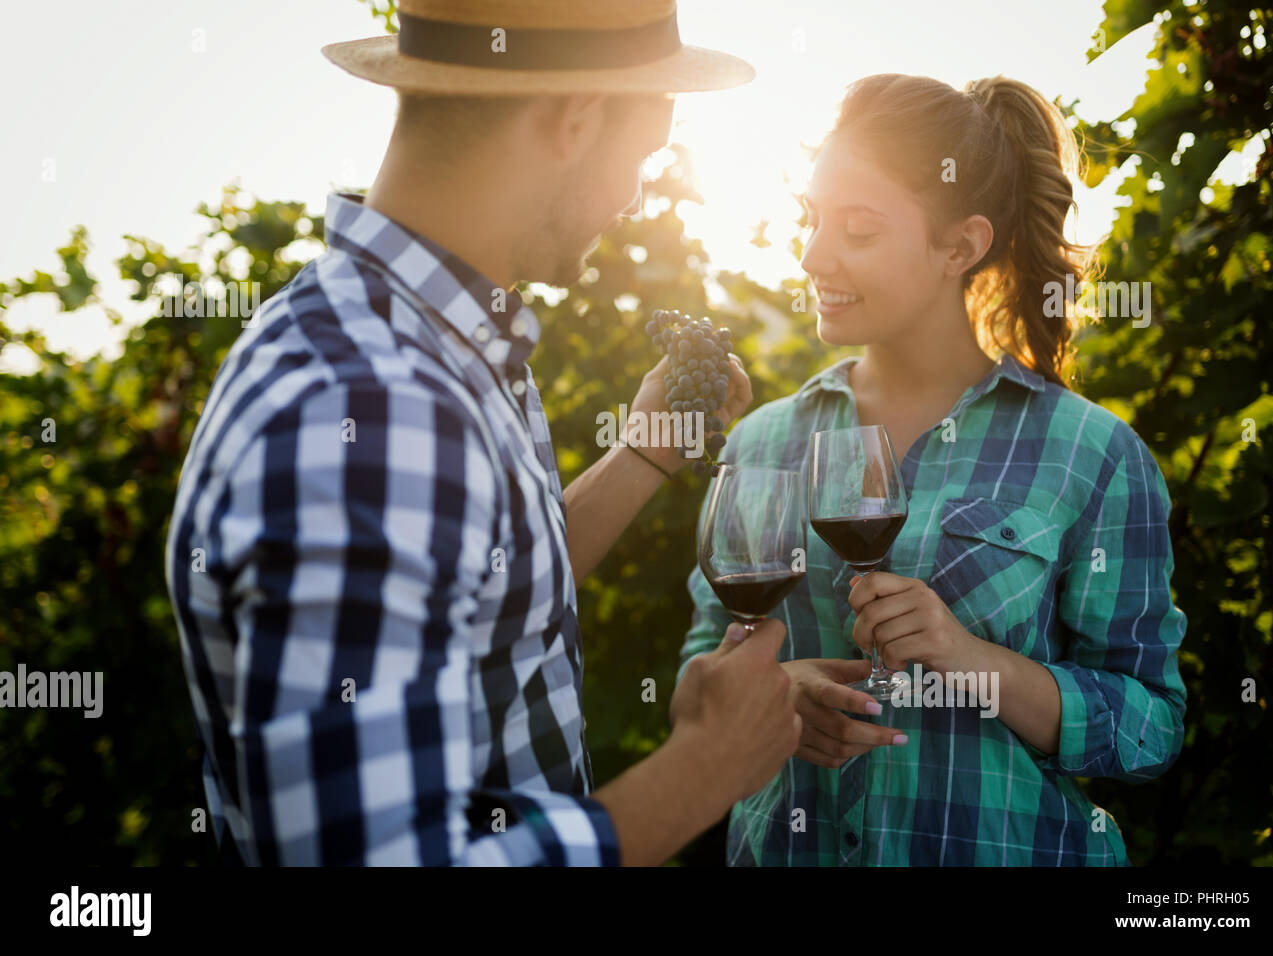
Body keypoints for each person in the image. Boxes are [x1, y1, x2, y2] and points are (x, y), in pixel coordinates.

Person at [165, 0, 802, 867]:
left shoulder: (438, 339)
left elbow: (486, 597)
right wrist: (706, 768)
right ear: (577, 119)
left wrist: (645, 448)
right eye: (645, 156)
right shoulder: (368, 408)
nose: (635, 196)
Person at [679, 73, 1188, 866]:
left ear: (961, 245)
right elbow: (698, 677)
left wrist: (977, 662)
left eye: (858, 228)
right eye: (813, 220)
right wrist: (776, 699)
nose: (814, 253)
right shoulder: (762, 443)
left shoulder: (1091, 454)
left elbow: (1150, 730)